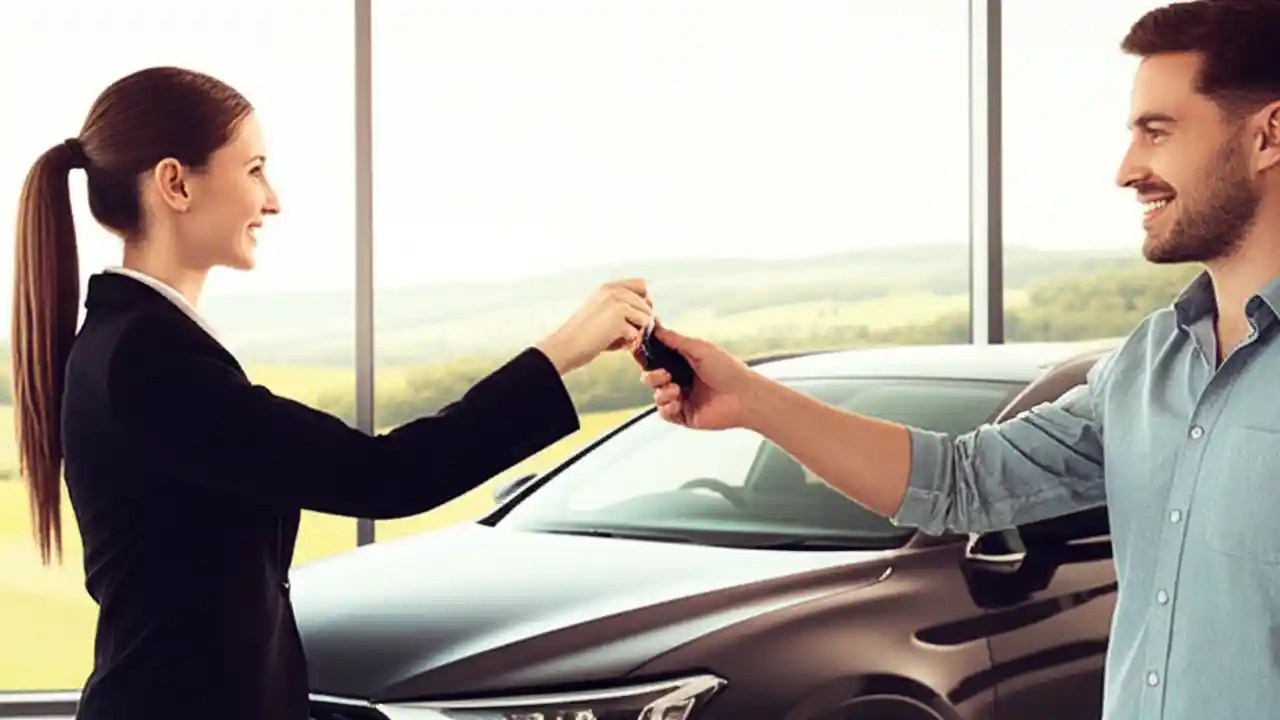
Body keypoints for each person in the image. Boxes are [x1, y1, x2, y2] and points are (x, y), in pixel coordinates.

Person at [640, 2, 1280, 719]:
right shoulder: (1145, 365)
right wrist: (752, 401)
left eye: (1157, 132)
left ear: (1268, 135)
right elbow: (959, 482)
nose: (1127, 170)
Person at [12, 66, 653, 720]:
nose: (272, 201)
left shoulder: (135, 344)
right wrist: (563, 351)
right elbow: (384, 475)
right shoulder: (147, 360)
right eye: (255, 169)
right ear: (175, 184)